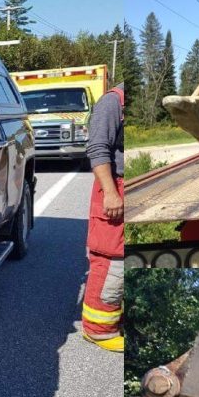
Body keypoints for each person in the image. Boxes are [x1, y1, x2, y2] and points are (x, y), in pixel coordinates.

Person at [81, 83, 124, 352]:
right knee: (110, 260)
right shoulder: (112, 102)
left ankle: (112, 320)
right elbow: (97, 148)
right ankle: (98, 331)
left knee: (121, 258)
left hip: (123, 185)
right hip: (114, 186)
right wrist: (110, 192)